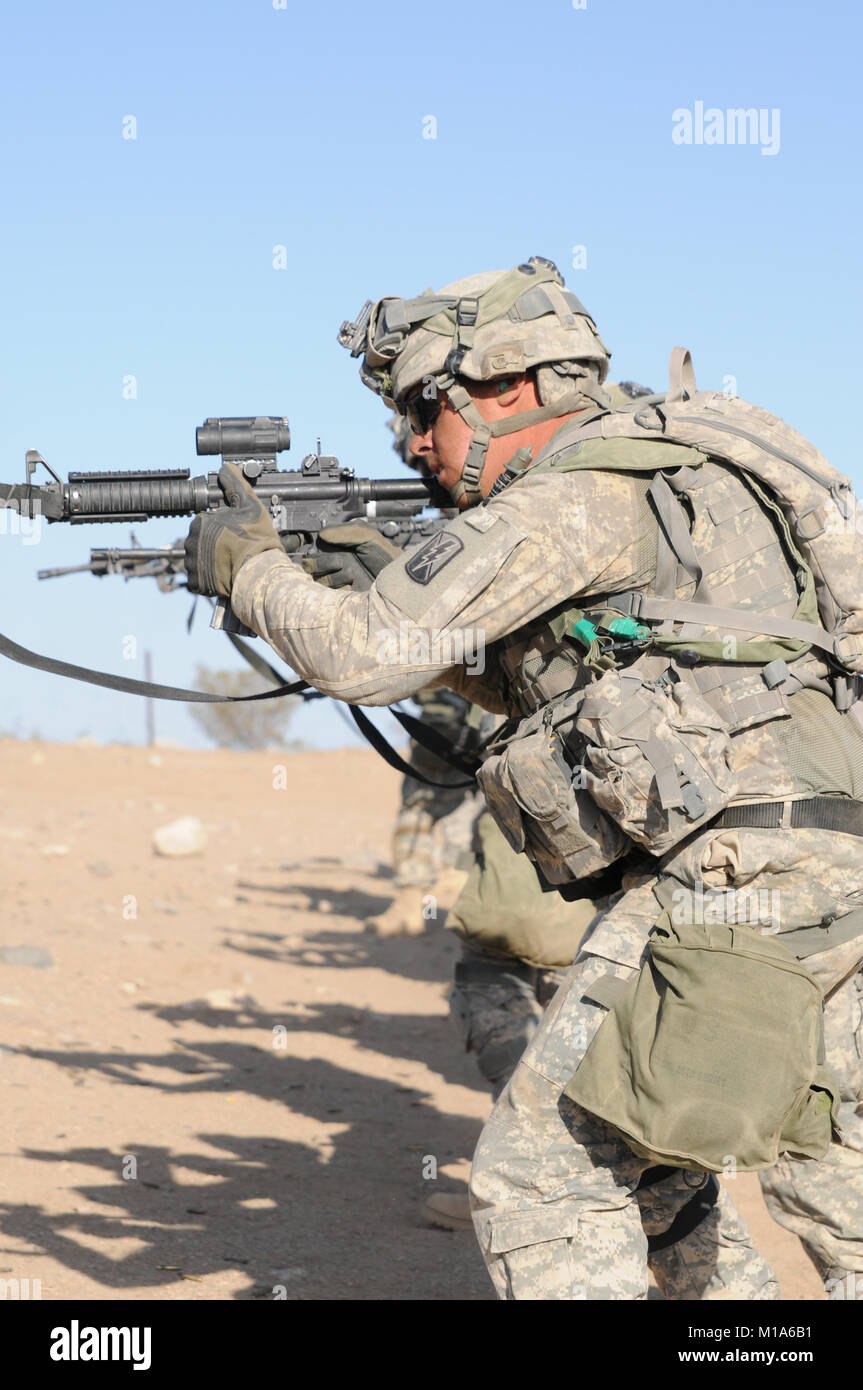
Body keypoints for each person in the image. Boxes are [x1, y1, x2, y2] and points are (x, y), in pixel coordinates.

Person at [184, 256, 863, 1299]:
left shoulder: (573, 494)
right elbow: (589, 676)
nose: (412, 442)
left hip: (726, 876)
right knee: (797, 1181)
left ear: (507, 388)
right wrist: (394, 582)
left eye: (424, 408)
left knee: (542, 1185)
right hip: (825, 862)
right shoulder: (688, 469)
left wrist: (251, 566)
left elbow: (363, 655)